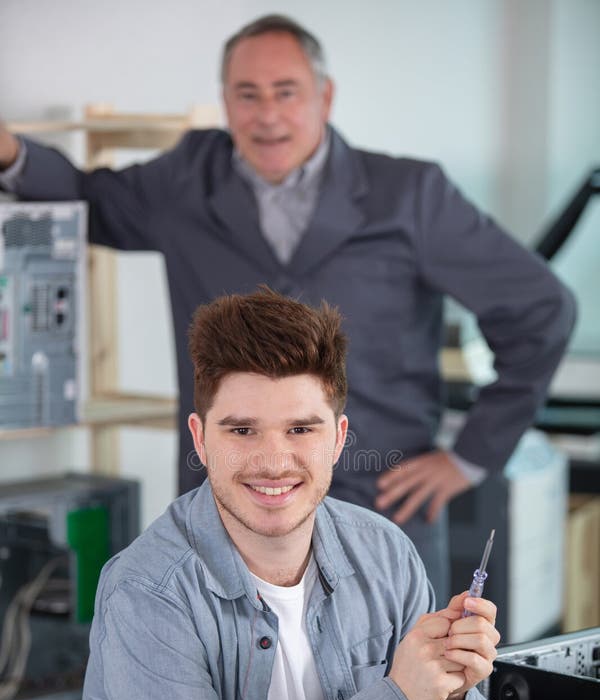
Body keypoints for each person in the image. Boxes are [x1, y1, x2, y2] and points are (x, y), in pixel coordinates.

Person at [0, 14, 576, 609]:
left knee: (402, 691)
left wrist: (471, 456)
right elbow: (89, 199)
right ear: (224, 102)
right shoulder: (185, 180)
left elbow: (543, 309)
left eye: (286, 92)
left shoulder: (408, 195)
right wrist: (10, 151)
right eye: (247, 95)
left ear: (324, 97)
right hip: (227, 511)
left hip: (374, 502)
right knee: (222, 691)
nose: (267, 115)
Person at [57, 287, 503, 700]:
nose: (273, 460)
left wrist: (451, 696)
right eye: (241, 429)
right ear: (199, 437)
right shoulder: (146, 593)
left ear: (339, 438)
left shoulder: (385, 554)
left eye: (301, 428)